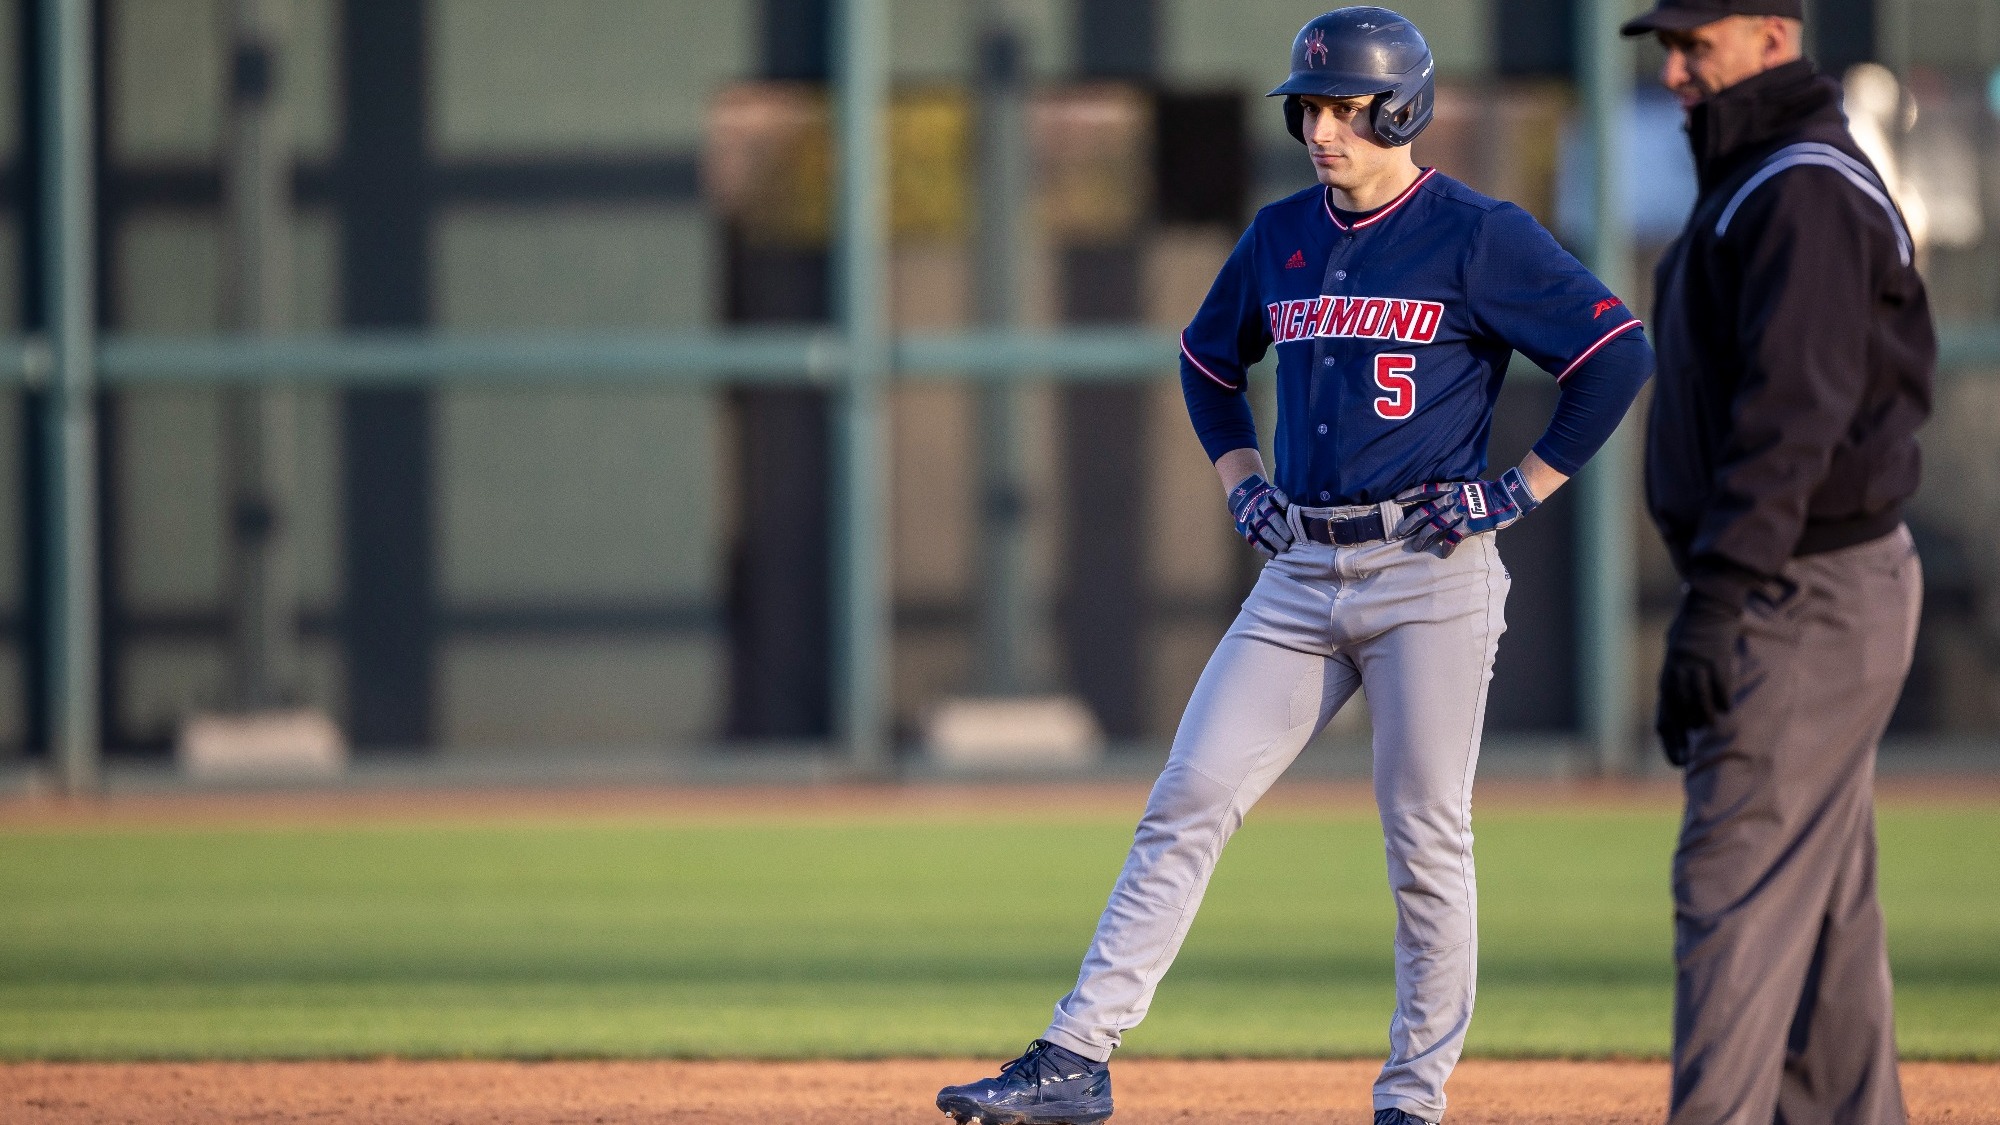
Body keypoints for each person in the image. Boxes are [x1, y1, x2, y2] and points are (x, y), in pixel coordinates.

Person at [934, 9, 1654, 1125]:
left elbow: (1615, 354)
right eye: (1309, 107)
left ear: (1402, 109)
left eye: (1344, 107)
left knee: (1423, 837)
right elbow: (1202, 360)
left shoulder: (1474, 232)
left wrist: (1520, 487)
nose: (1321, 127)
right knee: (1187, 799)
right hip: (1299, 575)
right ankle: (1074, 1059)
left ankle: (1409, 1101)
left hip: (1429, 571)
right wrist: (1237, 480)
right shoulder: (1278, 236)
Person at [1619, 1, 1934, 1122]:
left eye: (1691, 45)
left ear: (1768, 35)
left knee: (1733, 885)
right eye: (1665, 46)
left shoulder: (1797, 186)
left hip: (1800, 589)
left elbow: (1790, 418)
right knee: (1823, 916)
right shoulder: (1774, 176)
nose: (1671, 70)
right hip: (1812, 582)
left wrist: (1714, 602)